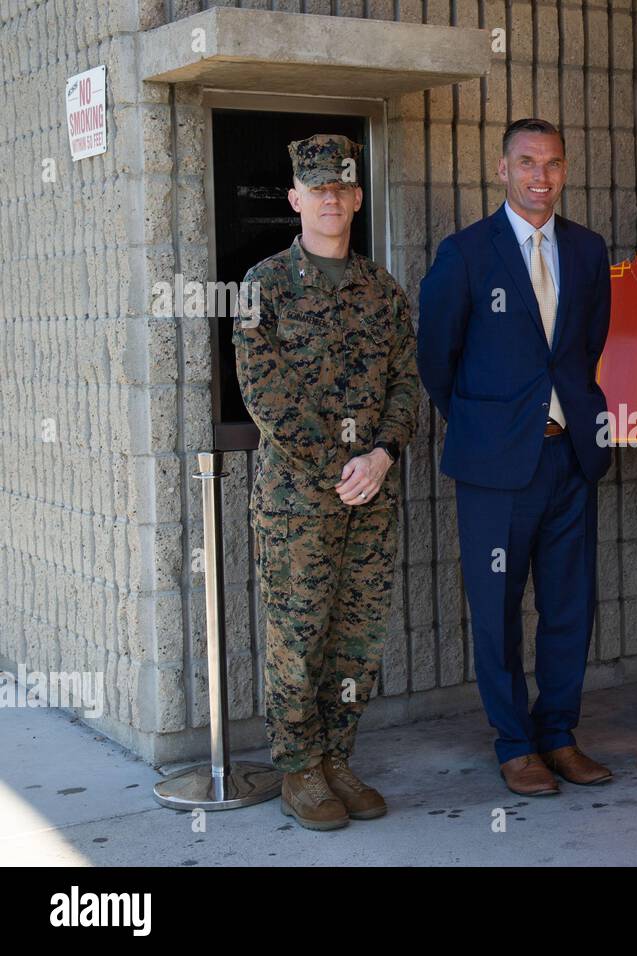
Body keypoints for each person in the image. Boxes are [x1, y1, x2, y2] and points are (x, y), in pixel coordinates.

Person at [417, 118, 614, 796]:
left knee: (569, 606)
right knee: (497, 608)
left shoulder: (588, 251)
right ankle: (514, 744)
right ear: (501, 169)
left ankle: (558, 735)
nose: (541, 176)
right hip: (495, 469)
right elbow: (436, 361)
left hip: (570, 461)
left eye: (554, 163)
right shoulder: (466, 253)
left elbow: (585, 348)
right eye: (527, 162)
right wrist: (489, 427)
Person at [234, 134, 420, 830]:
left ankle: (339, 755)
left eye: (341, 188)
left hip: (372, 494)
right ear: (295, 199)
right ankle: (300, 769)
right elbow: (264, 391)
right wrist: (335, 466)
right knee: (298, 635)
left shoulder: (384, 290)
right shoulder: (261, 288)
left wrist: (381, 457)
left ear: (358, 197)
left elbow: (407, 380)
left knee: (358, 636)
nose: (331, 199)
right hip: (298, 505)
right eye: (317, 189)